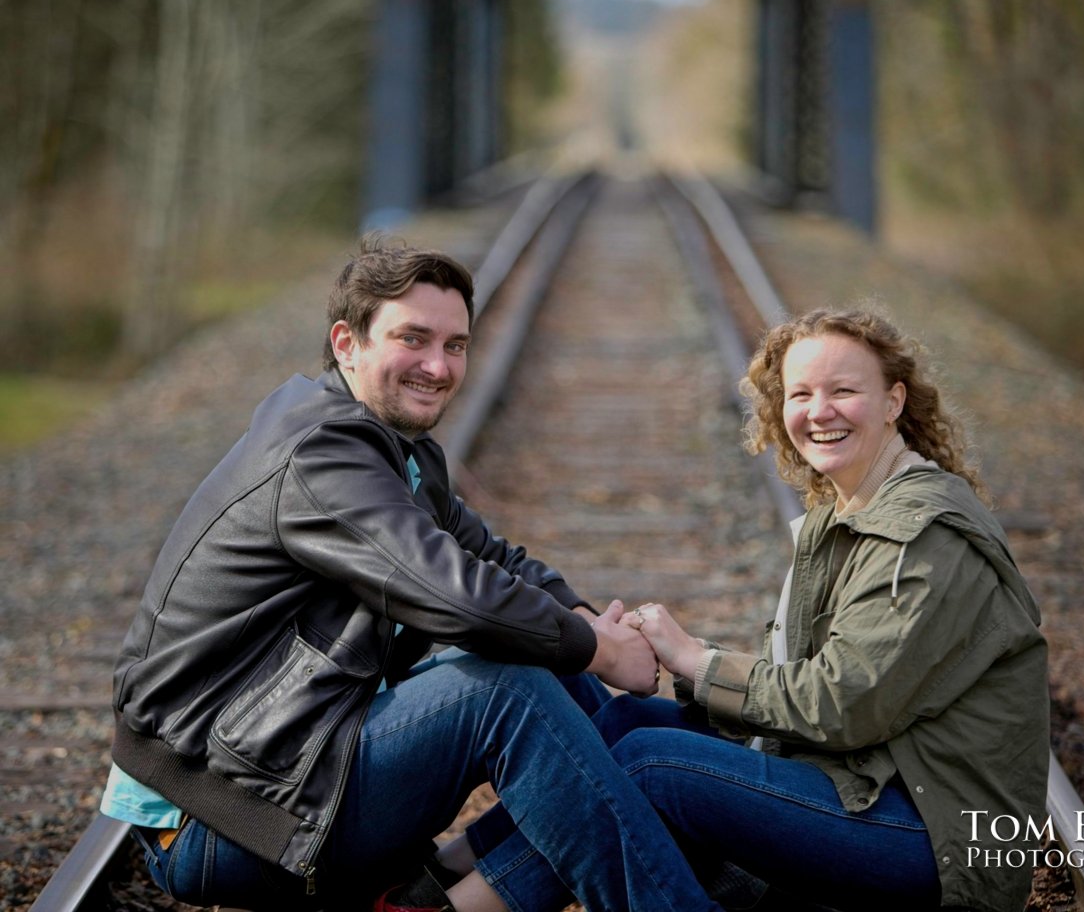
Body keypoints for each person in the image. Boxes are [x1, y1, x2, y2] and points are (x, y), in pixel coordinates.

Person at [101, 237, 722, 912]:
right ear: (347, 344)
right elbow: (456, 597)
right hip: (221, 814)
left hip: (283, 760)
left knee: (569, 681)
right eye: (413, 339)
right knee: (506, 690)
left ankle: (463, 879)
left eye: (455, 345)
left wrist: (587, 622)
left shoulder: (393, 448)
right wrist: (601, 649)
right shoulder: (323, 454)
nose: (438, 366)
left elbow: (495, 561)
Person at [599, 307, 1051, 912]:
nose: (819, 411)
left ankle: (484, 895)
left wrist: (698, 663)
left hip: (935, 833)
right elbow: (818, 688)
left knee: (647, 767)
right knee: (626, 723)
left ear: (893, 402)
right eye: (801, 394)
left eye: (843, 391)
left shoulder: (919, 535)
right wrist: (692, 665)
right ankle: (471, 869)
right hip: (867, 776)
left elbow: (843, 703)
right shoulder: (845, 510)